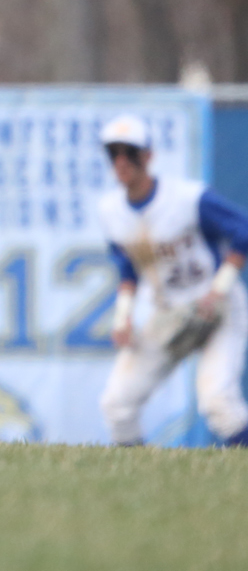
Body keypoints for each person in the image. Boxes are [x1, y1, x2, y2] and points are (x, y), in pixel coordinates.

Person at [95, 114, 248, 447]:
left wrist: (219, 288)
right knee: (117, 404)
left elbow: (243, 234)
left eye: (129, 152)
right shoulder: (111, 212)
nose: (121, 161)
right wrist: (122, 318)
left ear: (147, 156)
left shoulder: (188, 197)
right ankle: (137, 486)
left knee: (219, 401)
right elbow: (128, 270)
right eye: (114, 153)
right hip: (169, 314)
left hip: (219, 308)